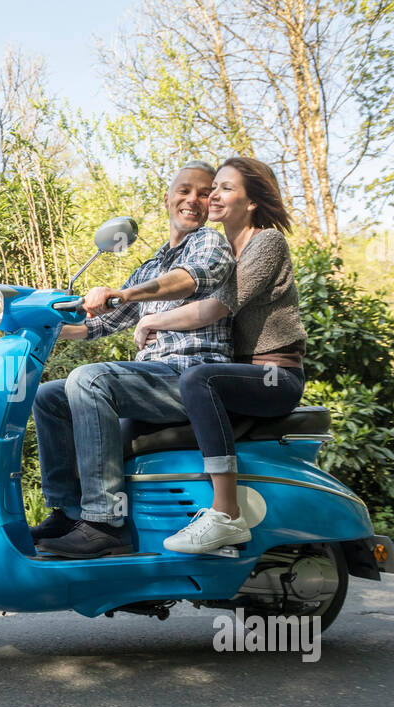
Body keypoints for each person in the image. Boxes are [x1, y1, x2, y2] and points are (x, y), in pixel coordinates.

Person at [31, 161, 236, 558]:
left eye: (203, 193)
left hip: (191, 378)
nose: (192, 199)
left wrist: (125, 294)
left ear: (212, 203)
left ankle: (104, 522)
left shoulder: (209, 243)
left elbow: (194, 278)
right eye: (184, 190)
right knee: (48, 397)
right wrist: (40, 326)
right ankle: (70, 510)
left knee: (89, 380)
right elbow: (99, 325)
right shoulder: (150, 267)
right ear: (168, 198)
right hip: (154, 377)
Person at [132, 156, 307, 554]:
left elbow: (215, 308)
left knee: (199, 377)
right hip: (239, 376)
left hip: (275, 376)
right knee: (133, 414)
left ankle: (226, 513)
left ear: (251, 203)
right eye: (216, 187)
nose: (213, 195)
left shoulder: (266, 243)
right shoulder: (219, 249)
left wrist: (153, 321)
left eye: (226, 188)